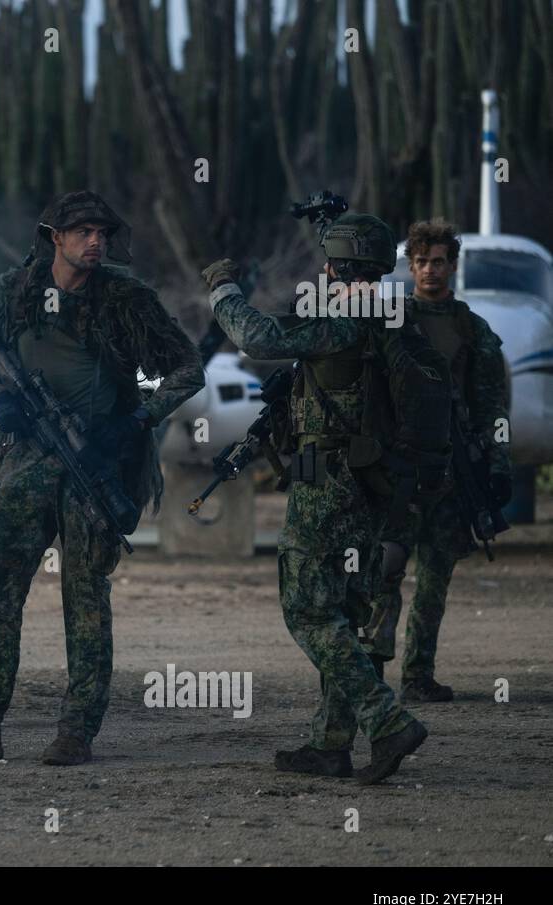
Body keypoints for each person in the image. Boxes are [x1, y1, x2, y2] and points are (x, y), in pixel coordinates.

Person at [0, 191, 205, 766]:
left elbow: (188, 369)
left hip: (94, 463)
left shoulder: (125, 297)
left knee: (84, 599)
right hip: (25, 460)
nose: (95, 241)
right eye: (82, 232)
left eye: (102, 232)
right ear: (55, 236)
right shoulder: (16, 291)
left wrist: (135, 422)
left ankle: (76, 731)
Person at [201, 212, 442, 784]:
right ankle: (331, 744)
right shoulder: (394, 317)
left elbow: (257, 337)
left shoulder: (343, 313)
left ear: (334, 265)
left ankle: (386, 721)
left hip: (327, 478)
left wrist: (223, 287)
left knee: (308, 608)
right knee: (346, 610)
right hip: (374, 480)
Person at [365, 220, 512, 702]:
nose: (431, 270)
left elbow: (490, 404)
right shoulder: (390, 320)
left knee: (434, 580)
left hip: (452, 472)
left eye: (440, 261)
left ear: (453, 266)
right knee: (383, 571)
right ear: (410, 267)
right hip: (398, 469)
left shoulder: (471, 328)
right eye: (422, 261)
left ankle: (418, 675)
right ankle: (371, 671)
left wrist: (497, 462)